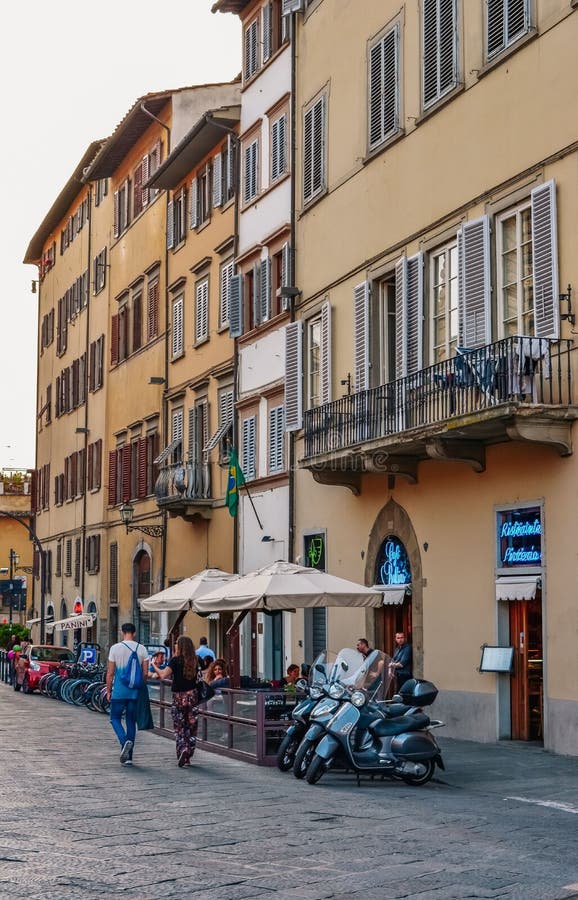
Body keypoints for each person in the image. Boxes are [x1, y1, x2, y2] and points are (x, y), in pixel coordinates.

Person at [151, 635, 200, 767]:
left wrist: (153, 665)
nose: (175, 645)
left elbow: (162, 675)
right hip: (193, 697)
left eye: (177, 643)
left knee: (179, 727)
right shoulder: (196, 660)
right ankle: (189, 755)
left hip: (179, 697)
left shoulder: (176, 660)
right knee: (191, 726)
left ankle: (182, 749)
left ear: (181, 645)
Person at [106, 623, 149, 767]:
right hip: (134, 692)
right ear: (134, 633)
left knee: (114, 718)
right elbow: (145, 673)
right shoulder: (142, 649)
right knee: (131, 721)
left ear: (122, 632)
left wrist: (109, 690)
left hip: (119, 691)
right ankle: (129, 757)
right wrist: (139, 686)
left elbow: (110, 673)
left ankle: (124, 742)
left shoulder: (115, 648)